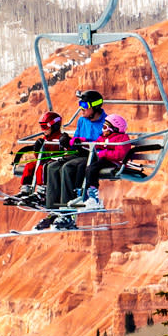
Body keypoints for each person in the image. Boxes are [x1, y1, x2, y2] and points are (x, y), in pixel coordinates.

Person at [36, 89, 106, 231]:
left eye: (84, 106)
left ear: (95, 107)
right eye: (80, 105)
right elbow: (77, 137)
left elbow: (103, 141)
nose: (81, 109)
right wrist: (69, 140)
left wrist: (82, 141)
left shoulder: (105, 122)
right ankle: (53, 211)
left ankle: (67, 213)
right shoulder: (82, 120)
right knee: (52, 167)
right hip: (80, 152)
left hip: (94, 156)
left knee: (68, 168)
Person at [4, 111, 70, 207]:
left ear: (54, 126)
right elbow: (39, 157)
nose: (43, 130)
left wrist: (65, 144)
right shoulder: (45, 139)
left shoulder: (61, 138)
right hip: (47, 161)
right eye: (41, 127)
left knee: (41, 167)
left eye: (45, 127)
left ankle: (42, 193)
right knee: (30, 165)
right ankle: (25, 190)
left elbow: (68, 151)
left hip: (57, 162)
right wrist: (37, 149)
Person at [68, 114, 130, 210]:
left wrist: (104, 153)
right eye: (102, 127)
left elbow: (120, 154)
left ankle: (94, 198)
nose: (102, 130)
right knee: (81, 167)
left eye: (105, 127)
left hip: (114, 162)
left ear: (114, 129)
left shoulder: (121, 138)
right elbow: (95, 144)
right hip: (104, 160)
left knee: (92, 169)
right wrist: (81, 141)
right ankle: (80, 195)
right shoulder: (104, 137)